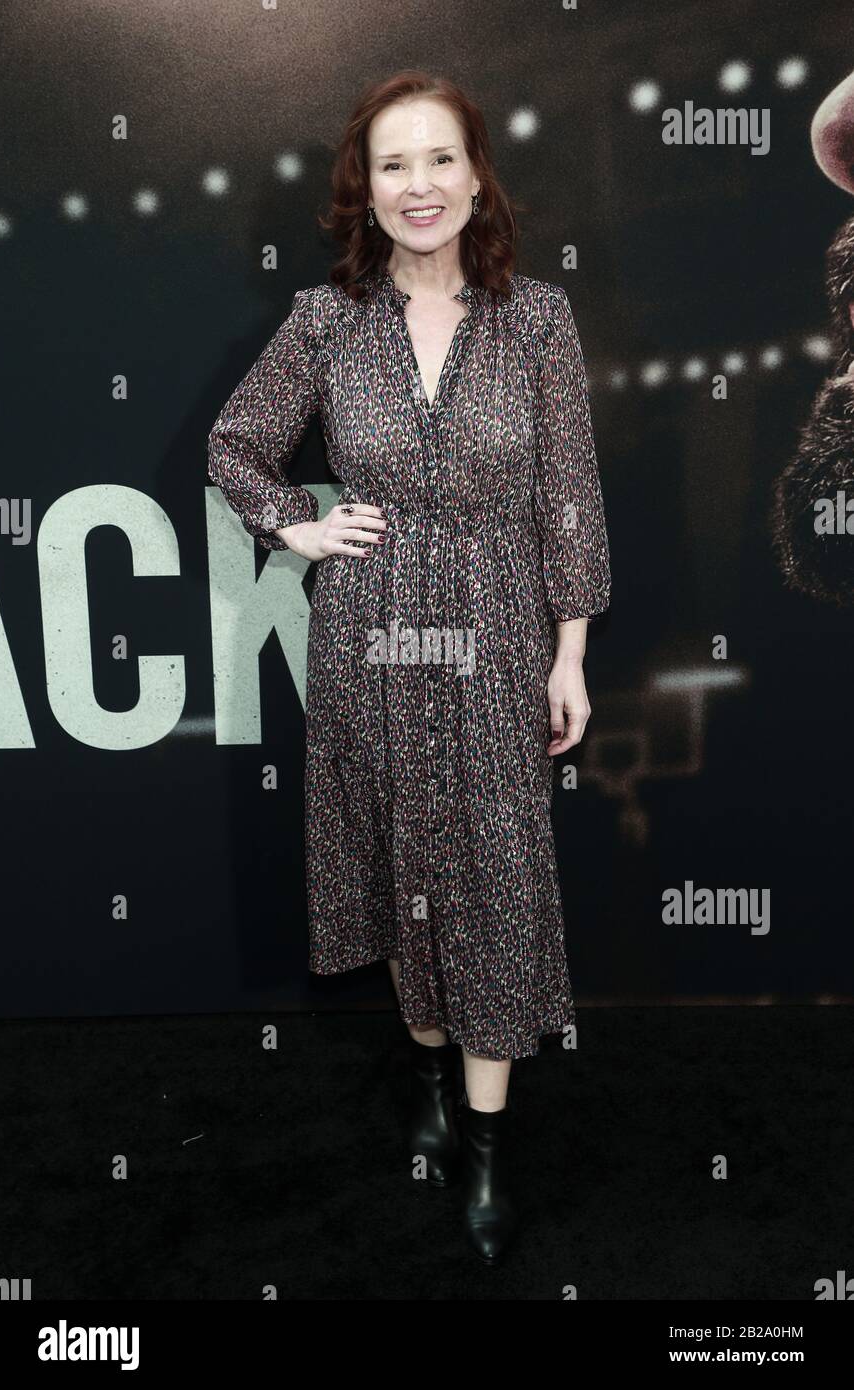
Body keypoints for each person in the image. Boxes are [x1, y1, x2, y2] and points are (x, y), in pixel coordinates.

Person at [207, 69, 612, 1264]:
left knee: (491, 875)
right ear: (364, 190)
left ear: (475, 174)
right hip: (371, 629)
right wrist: (295, 522)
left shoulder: (534, 317)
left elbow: (567, 494)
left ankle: (483, 1144)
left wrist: (571, 647)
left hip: (494, 631)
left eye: (439, 159)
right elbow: (235, 442)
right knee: (399, 865)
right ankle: (428, 1075)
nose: (418, 185)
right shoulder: (324, 322)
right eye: (392, 165)